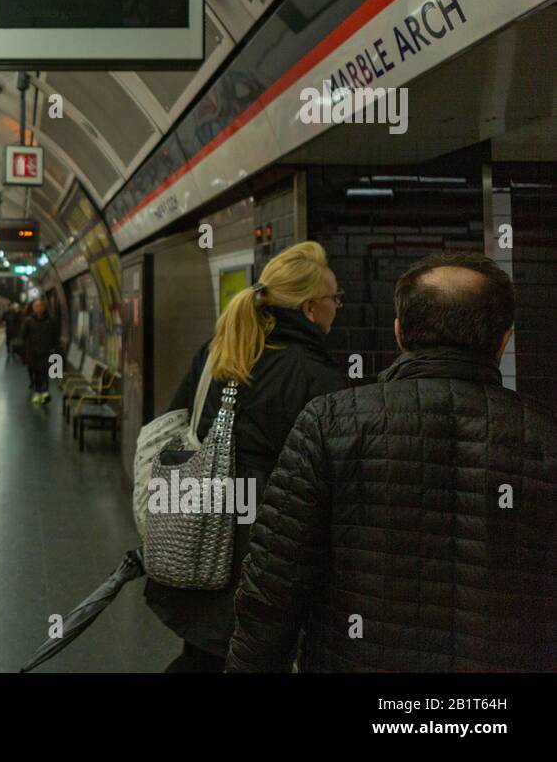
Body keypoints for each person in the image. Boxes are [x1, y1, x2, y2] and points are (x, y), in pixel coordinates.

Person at [227, 252, 557, 672]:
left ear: (399, 334)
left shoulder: (330, 423)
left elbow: (273, 588)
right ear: (504, 340)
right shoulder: (546, 438)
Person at [144, 241, 347, 672]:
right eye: (335, 298)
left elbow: (178, 427)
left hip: (200, 538)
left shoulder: (217, 354)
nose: (338, 307)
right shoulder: (319, 379)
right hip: (271, 559)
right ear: (311, 309)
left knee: (203, 656)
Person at [20, 298, 58, 405]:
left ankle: (45, 392)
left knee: (45, 372)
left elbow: (55, 337)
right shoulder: (28, 321)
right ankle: (37, 392)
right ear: (33, 308)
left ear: (44, 307)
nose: (39, 308)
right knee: (36, 373)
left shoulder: (51, 321)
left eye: (41, 306)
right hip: (33, 352)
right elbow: (23, 336)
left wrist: (57, 352)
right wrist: (23, 352)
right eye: (36, 306)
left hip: (47, 352)